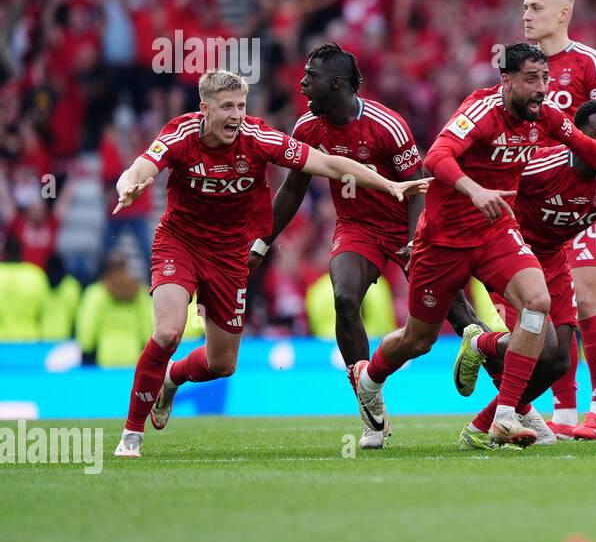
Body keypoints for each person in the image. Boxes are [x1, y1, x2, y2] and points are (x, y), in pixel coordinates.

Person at [348, 43, 596, 449]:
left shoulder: (544, 115)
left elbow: (587, 145)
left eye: (544, 78)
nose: (541, 88)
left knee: (537, 305)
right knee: (418, 340)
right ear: (505, 80)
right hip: (444, 238)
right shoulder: (481, 112)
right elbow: (436, 158)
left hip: (496, 232)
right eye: (531, 79)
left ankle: (504, 416)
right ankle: (369, 379)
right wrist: (474, 190)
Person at [111, 69, 428, 458]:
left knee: (221, 364)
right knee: (168, 333)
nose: (236, 115)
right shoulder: (182, 134)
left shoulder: (258, 138)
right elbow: (143, 165)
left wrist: (390, 185)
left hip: (230, 255)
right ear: (204, 109)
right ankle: (131, 434)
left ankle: (172, 379)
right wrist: (128, 183)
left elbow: (329, 165)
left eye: (241, 106)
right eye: (227, 107)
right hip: (181, 244)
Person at [248, 42, 424, 448]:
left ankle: (514, 405)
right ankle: (369, 407)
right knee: (344, 299)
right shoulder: (308, 128)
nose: (303, 82)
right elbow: (291, 191)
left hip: (404, 227)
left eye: (312, 76)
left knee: (455, 312)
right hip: (356, 226)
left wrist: (416, 241)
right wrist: (261, 242)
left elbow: (418, 188)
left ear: (338, 84)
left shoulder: (387, 125)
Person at [448, 100, 596, 448]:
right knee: (543, 347)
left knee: (558, 362)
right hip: (511, 256)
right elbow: (480, 188)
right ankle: (487, 418)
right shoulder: (539, 165)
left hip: (553, 261)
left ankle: (481, 350)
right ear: (577, 138)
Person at [520, 0, 596, 439]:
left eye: (535, 7)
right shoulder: (522, 67)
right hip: (537, 197)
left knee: (584, 301)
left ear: (563, 14)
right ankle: (563, 412)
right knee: (549, 310)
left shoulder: (590, 62)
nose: (526, 15)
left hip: (584, 194)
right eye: (524, 6)